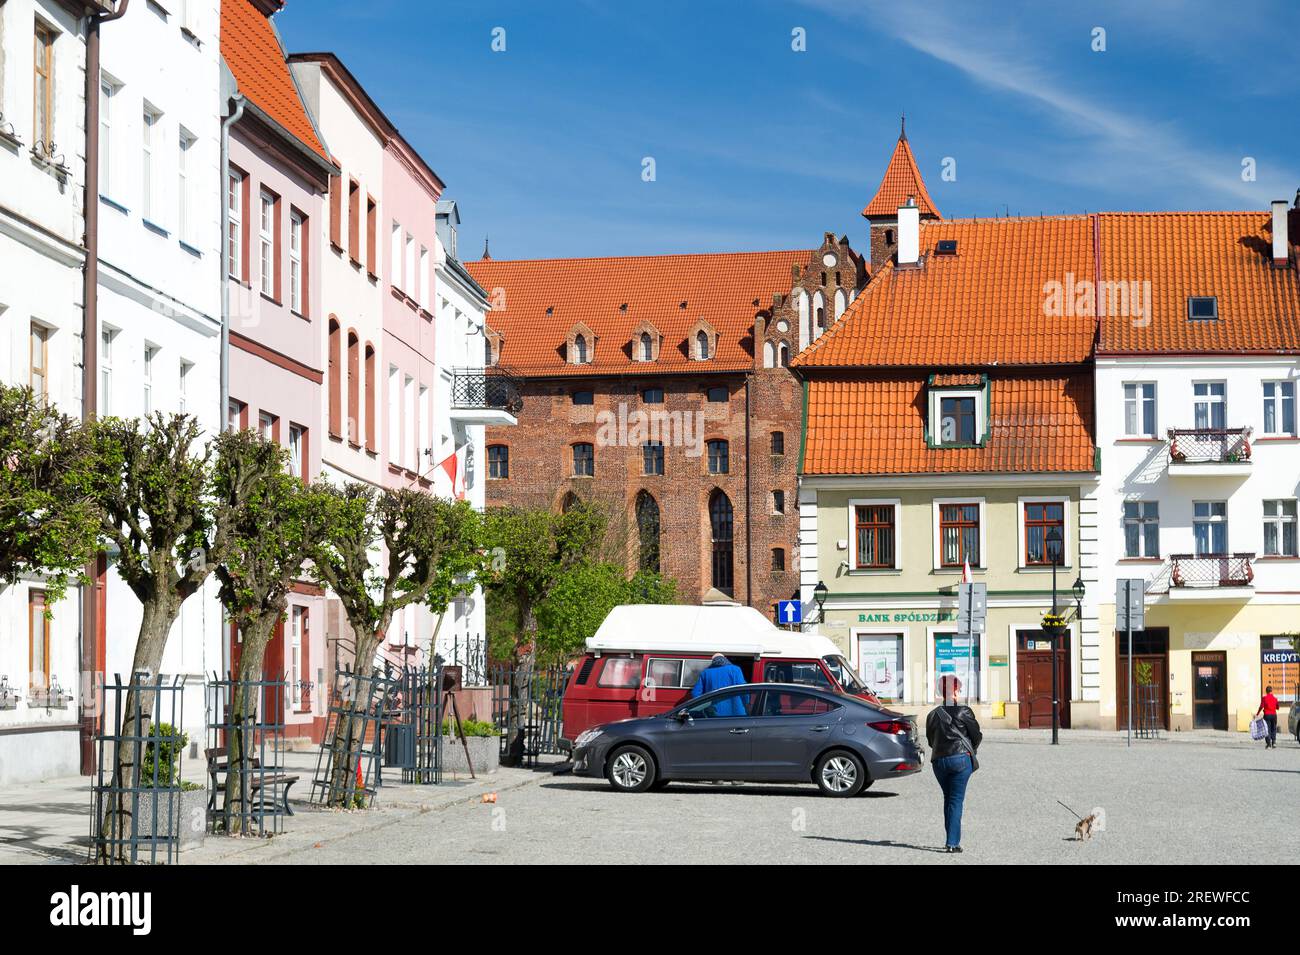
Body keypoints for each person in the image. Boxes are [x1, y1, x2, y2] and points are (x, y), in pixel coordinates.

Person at [925, 674, 982, 853]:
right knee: (956, 800)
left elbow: (930, 740)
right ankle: (952, 843)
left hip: (939, 762)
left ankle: (950, 840)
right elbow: (977, 736)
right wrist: (971, 749)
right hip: (960, 760)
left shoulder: (932, 715)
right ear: (955, 690)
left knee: (949, 799)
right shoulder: (964, 711)